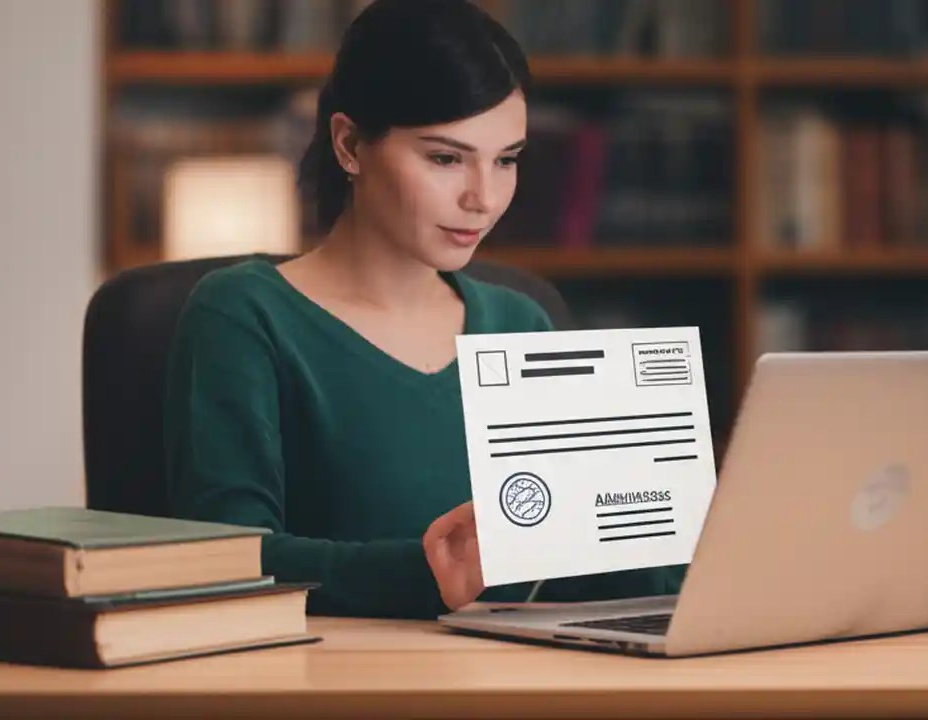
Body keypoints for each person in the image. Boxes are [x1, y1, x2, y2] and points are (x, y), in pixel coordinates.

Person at [164, 0, 684, 619]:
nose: (483, 198)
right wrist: (426, 573)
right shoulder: (243, 314)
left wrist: (671, 538)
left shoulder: (523, 322)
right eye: (445, 158)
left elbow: (584, 578)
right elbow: (227, 557)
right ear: (350, 144)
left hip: (526, 682)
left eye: (507, 159)